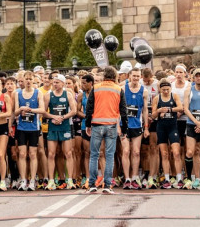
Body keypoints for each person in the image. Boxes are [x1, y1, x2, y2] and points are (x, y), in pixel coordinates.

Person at [84, 66, 124, 194]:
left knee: (94, 155)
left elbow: (89, 108)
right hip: (111, 125)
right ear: (115, 76)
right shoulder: (119, 89)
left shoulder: (96, 87)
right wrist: (124, 128)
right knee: (109, 155)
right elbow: (123, 110)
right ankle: (107, 185)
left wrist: (88, 125)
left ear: (104, 75)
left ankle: (92, 184)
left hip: (97, 124)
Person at [43, 74, 77, 190]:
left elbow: (74, 111)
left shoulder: (68, 94)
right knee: (51, 154)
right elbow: (44, 112)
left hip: (65, 126)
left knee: (68, 153)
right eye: (54, 82)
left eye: (57, 82)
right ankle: (51, 181)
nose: (55, 84)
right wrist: (53, 117)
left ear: (63, 83)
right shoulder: (48, 95)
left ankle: (70, 180)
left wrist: (62, 117)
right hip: (53, 127)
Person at [151, 78, 183, 188]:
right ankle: (167, 179)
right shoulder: (157, 98)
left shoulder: (174, 96)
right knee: (164, 154)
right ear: (160, 89)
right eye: (163, 90)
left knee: (176, 153)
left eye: (167, 89)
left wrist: (169, 110)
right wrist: (159, 111)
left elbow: (180, 107)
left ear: (170, 89)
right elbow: (153, 115)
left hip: (173, 127)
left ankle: (179, 178)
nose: (165, 91)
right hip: (161, 128)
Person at [13, 72, 43, 190]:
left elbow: (42, 109)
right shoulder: (18, 93)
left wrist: (30, 110)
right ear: (23, 80)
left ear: (33, 80)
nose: (29, 81)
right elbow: (15, 112)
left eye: (31, 79)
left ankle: (32, 180)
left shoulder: (38, 93)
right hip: (21, 128)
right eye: (27, 79)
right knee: (22, 154)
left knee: (33, 154)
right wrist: (21, 109)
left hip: (34, 127)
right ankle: (23, 179)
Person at [120, 67, 147, 189]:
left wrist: (146, 127)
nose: (135, 78)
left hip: (137, 125)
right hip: (124, 125)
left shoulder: (143, 91)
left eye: (138, 76)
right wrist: (117, 126)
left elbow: (145, 110)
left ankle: (135, 178)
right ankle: (127, 179)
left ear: (140, 77)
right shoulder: (122, 89)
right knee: (126, 151)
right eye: (134, 75)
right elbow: (117, 108)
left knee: (136, 152)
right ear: (129, 76)